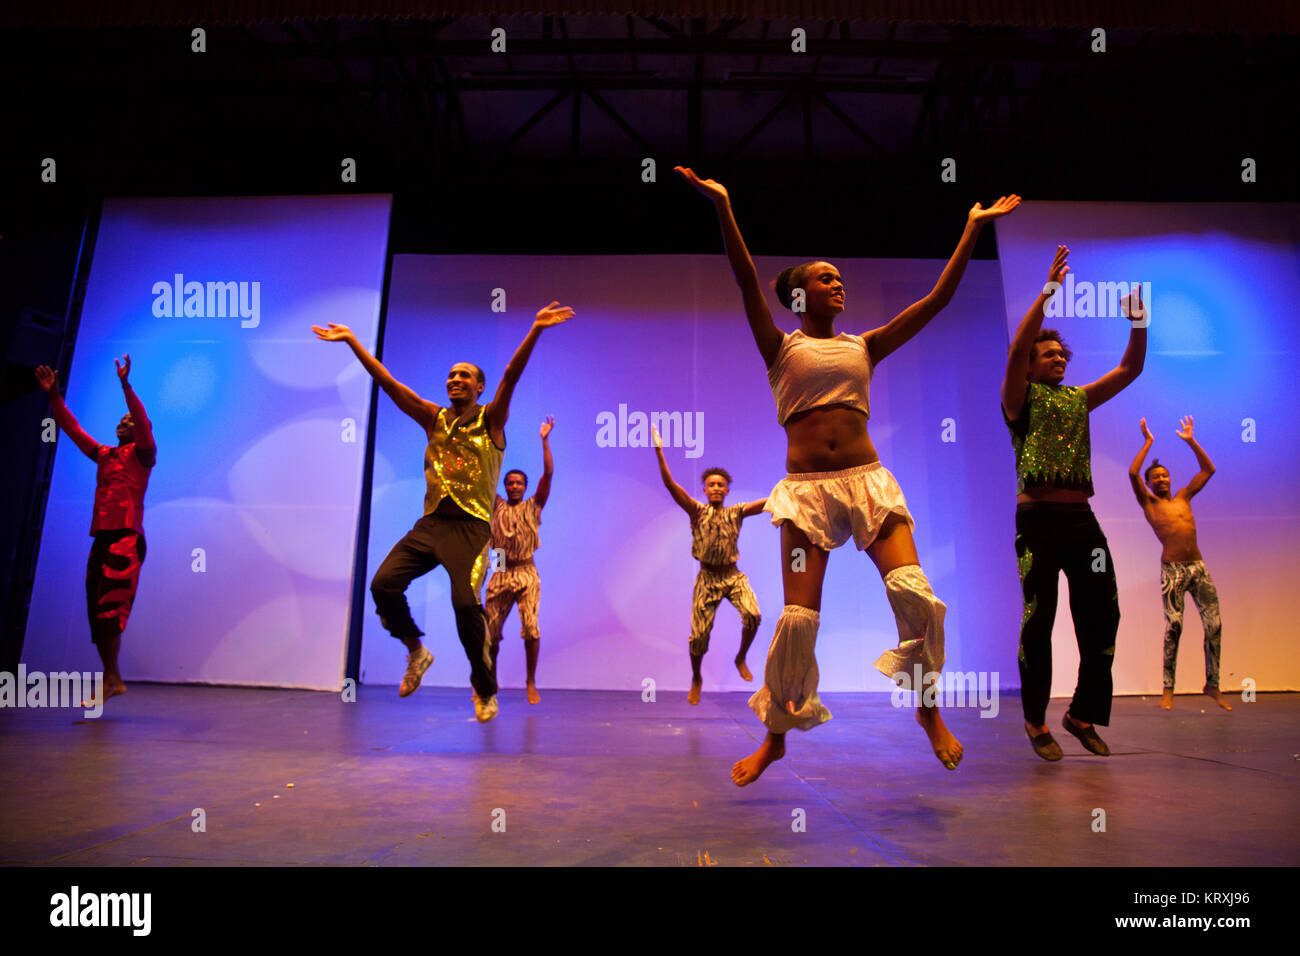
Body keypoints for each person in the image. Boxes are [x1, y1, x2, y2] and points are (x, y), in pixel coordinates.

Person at [677, 164, 1019, 785]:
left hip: (867, 484)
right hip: (806, 497)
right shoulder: (780, 347)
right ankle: (776, 738)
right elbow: (744, 275)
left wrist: (972, 227)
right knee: (798, 620)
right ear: (800, 295)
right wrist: (723, 204)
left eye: (840, 278)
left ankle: (927, 712)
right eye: (825, 277)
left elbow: (936, 301)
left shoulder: (865, 345)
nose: (839, 284)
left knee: (914, 593)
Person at [312, 303, 572, 721]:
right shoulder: (433, 418)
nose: (454, 380)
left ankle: (484, 689)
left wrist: (536, 330)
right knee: (382, 585)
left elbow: (511, 375)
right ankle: (416, 652)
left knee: (466, 605)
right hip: (431, 525)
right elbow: (388, 382)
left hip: (470, 531)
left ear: (479, 388)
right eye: (451, 375)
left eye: (464, 376)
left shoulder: (491, 420)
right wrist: (353, 342)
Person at [1001, 245, 1147, 760]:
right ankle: (1036, 721)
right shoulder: (1019, 399)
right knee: (1039, 619)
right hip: (1036, 522)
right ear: (1031, 366)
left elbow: (1129, 370)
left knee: (1102, 615)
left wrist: (1140, 321)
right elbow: (1018, 347)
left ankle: (1081, 714)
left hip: (1081, 522)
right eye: (1050, 354)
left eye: (1063, 354)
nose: (1059, 358)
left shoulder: (1077, 398)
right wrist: (1048, 291)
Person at [35, 355, 156, 707]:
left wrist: (126, 387)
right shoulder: (104, 455)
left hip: (126, 539)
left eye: (129, 420)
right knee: (96, 615)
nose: (125, 421)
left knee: (110, 610)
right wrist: (54, 395)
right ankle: (112, 677)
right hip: (102, 539)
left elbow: (145, 422)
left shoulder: (143, 455)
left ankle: (110, 679)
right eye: (121, 419)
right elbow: (73, 430)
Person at [652, 425, 765, 704]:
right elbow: (670, 485)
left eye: (720, 484)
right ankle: (696, 677)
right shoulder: (696, 511)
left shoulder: (735, 513)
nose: (716, 488)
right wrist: (659, 451)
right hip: (707, 578)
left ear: (727, 490)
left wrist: (794, 482)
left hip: (733, 576)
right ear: (704, 489)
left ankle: (740, 656)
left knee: (753, 615)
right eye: (711, 484)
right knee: (699, 637)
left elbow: (766, 503)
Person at [1128, 416, 1228, 711]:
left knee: (1215, 625)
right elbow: (1133, 473)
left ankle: (1213, 684)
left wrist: (1190, 441)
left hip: (1198, 568)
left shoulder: (1184, 496)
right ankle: (1167, 689)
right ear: (1149, 483)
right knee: (1174, 626)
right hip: (1172, 571)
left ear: (1170, 479)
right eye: (1155, 477)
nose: (1161, 479)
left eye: (1164, 476)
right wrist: (1148, 442)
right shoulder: (1149, 503)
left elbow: (1208, 470)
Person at [483, 416, 555, 705]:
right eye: (510, 483)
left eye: (519, 483)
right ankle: (490, 679)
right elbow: (483, 476)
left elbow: (548, 476)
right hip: (501, 568)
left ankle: (530, 681)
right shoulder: (496, 504)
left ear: (525, 487)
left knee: (531, 627)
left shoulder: (533, 506)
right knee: (491, 630)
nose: (514, 487)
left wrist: (544, 440)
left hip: (526, 571)